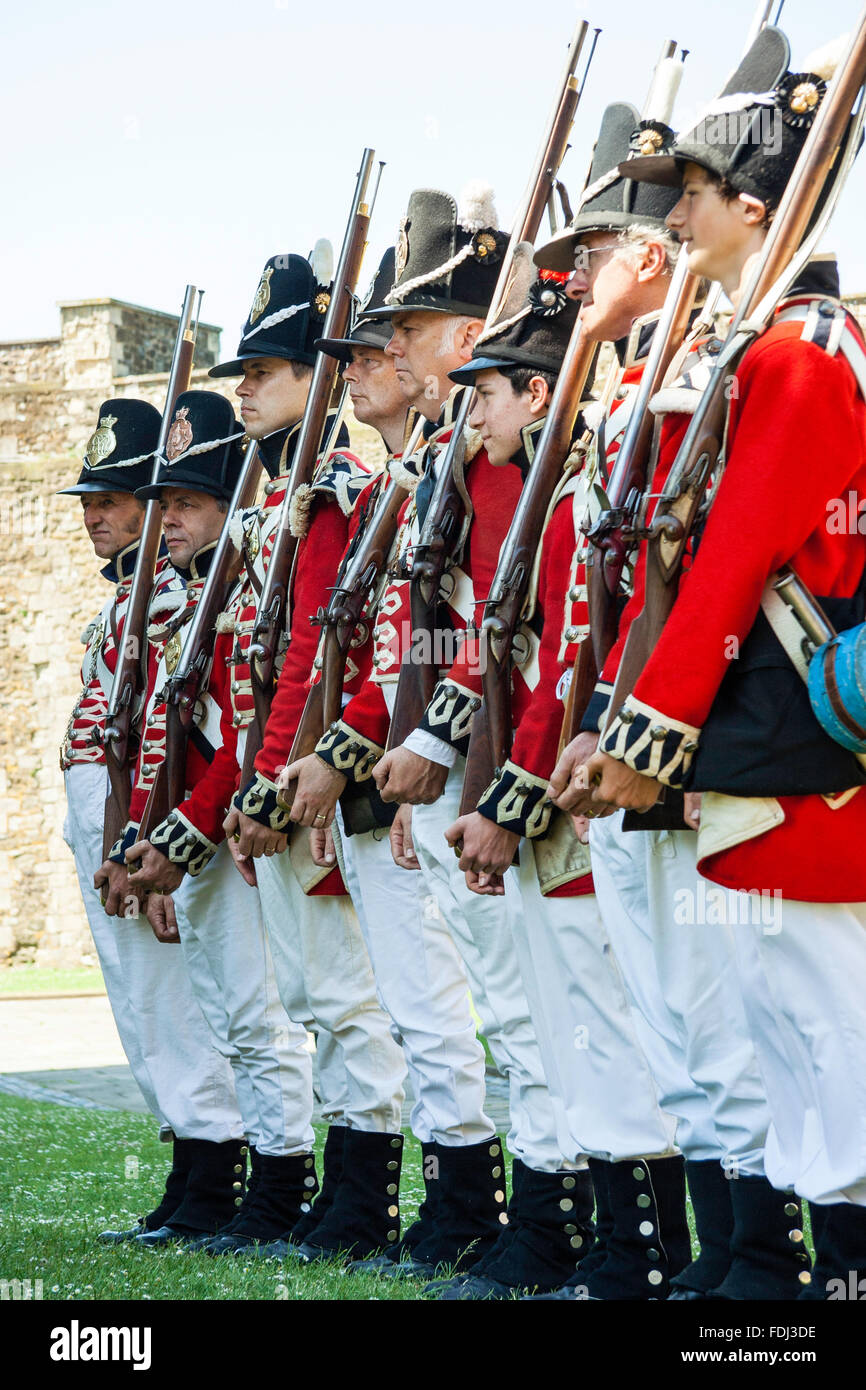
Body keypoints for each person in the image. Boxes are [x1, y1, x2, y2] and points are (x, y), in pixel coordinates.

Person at [571, 26, 866, 1296]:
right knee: (787, 1030)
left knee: (826, 1037)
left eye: (689, 196)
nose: (673, 220)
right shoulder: (770, 350)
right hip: (763, 749)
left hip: (796, 751)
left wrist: (643, 732)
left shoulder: (795, 354)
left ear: (753, 203)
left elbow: (737, 556)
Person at [131, 254, 406, 1258]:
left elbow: (311, 658)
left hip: (312, 784)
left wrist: (278, 778)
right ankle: (340, 1199)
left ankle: (364, 1198)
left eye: (264, 368)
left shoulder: (330, 491)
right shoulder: (277, 501)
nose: (243, 386)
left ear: (314, 380)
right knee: (306, 997)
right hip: (277, 780)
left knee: (340, 996)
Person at [438, 245, 693, 1300]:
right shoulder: (561, 489)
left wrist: (510, 799)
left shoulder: (579, 484)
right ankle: (624, 1244)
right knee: (570, 1020)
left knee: (609, 1019)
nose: (474, 417)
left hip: (588, 788)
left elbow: (568, 663)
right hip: (562, 783)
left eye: (487, 392)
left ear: (537, 390)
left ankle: (645, 1251)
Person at [284, 190, 529, 1278]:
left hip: (449, 759)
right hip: (409, 763)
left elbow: (462, 630)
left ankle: (511, 1206)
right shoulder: (397, 481)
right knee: (432, 1012)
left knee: (495, 1007)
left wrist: (415, 755)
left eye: (393, 339)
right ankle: (464, 1202)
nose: (368, 361)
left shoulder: (456, 464)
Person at [59, 398, 246, 1244]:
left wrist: (148, 842)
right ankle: (189, 1163)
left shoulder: (176, 597)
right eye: (90, 500)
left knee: (177, 1006)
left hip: (151, 833)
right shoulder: (127, 602)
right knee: (143, 1007)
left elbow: (170, 737)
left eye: (113, 496)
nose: (96, 514)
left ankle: (214, 1173)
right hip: (109, 828)